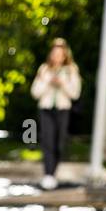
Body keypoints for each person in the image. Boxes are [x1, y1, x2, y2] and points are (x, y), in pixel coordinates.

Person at [30, 38, 82, 190]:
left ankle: (53, 172)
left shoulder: (71, 70)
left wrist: (62, 83)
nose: (57, 56)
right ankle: (48, 175)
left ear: (65, 55)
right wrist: (48, 82)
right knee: (47, 141)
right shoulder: (44, 69)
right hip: (46, 109)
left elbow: (75, 94)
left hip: (62, 109)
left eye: (60, 54)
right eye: (55, 53)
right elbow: (35, 92)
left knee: (59, 143)